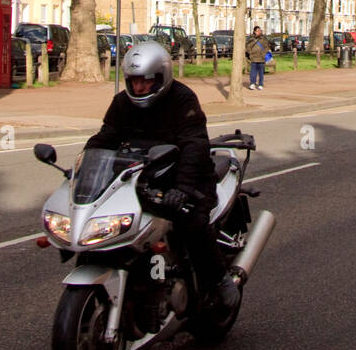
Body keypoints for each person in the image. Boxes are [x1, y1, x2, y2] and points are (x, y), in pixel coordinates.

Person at [83, 40, 239, 310]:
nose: (139, 87)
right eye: (133, 81)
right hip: (140, 181)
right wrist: (83, 172)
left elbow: (194, 144)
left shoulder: (182, 99)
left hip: (186, 180)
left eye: (146, 81)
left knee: (192, 224)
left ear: (161, 77)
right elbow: (106, 138)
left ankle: (219, 281)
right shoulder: (122, 102)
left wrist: (183, 188)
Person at [246, 26, 270, 91]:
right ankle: (252, 83)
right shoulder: (251, 39)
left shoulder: (264, 39)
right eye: (257, 30)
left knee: (261, 72)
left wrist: (264, 54)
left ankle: (260, 84)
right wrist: (251, 54)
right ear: (254, 31)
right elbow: (248, 47)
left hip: (261, 58)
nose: (259, 32)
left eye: (260, 30)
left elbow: (267, 47)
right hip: (253, 58)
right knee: (253, 72)